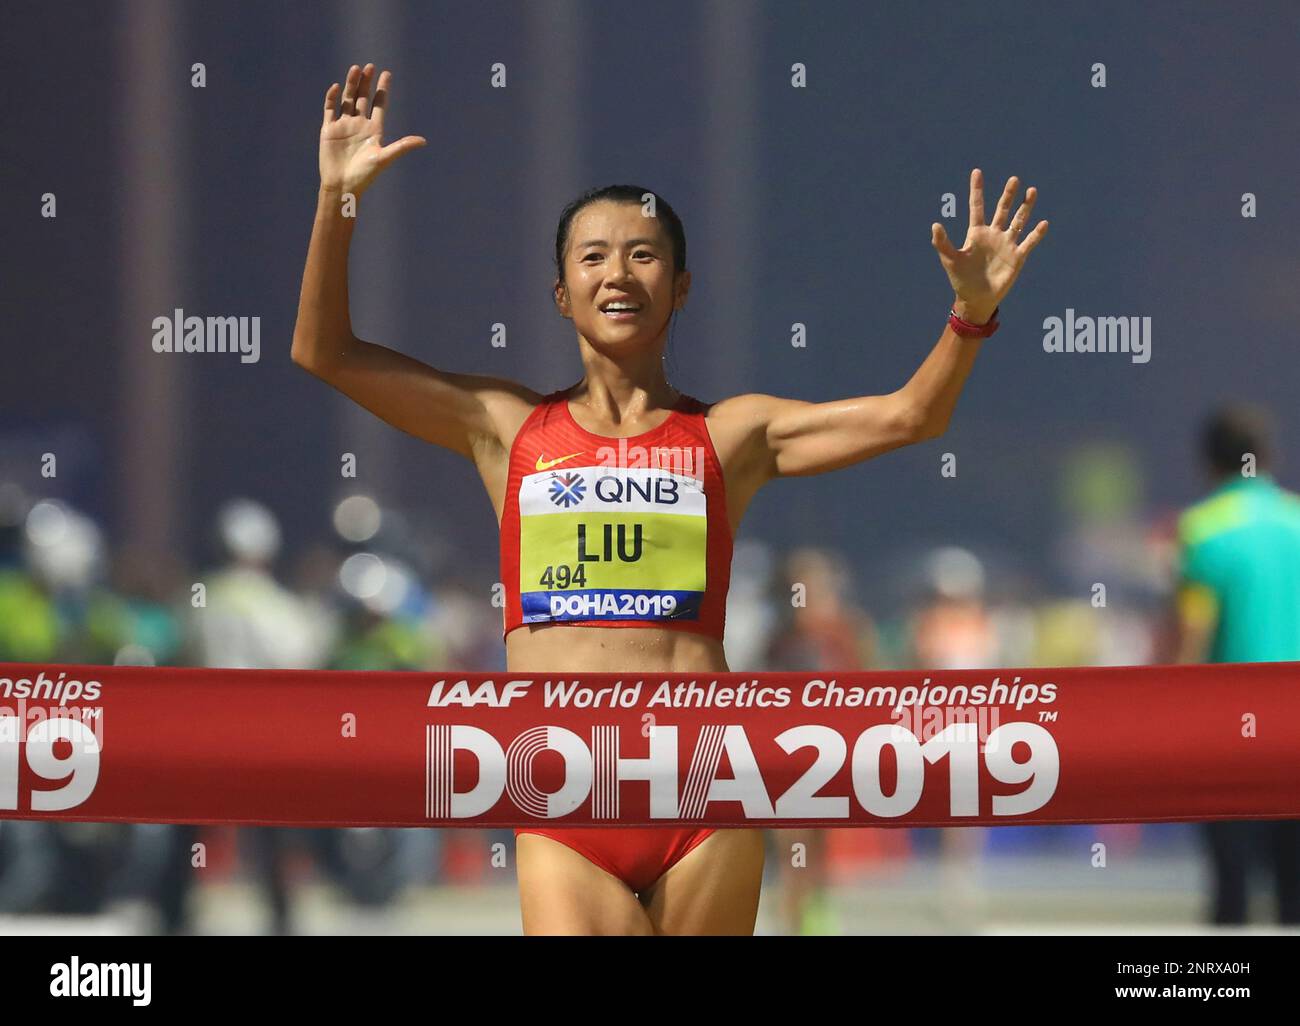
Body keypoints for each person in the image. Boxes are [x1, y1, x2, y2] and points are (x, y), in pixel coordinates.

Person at [291, 63, 1049, 935]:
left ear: (681, 287)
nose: (620, 272)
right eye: (594, 256)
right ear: (562, 294)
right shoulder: (504, 428)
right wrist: (337, 201)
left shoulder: (732, 436)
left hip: (704, 786)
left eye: (645, 254)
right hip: (562, 788)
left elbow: (912, 416)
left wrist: (972, 315)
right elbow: (326, 351)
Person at [1173, 403, 1300, 925]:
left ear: (1208, 463)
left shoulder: (1203, 529)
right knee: (1295, 888)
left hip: (1230, 732)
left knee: (1231, 890)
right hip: (1295, 727)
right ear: (1268, 457)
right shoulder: (1296, 518)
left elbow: (1191, 634)